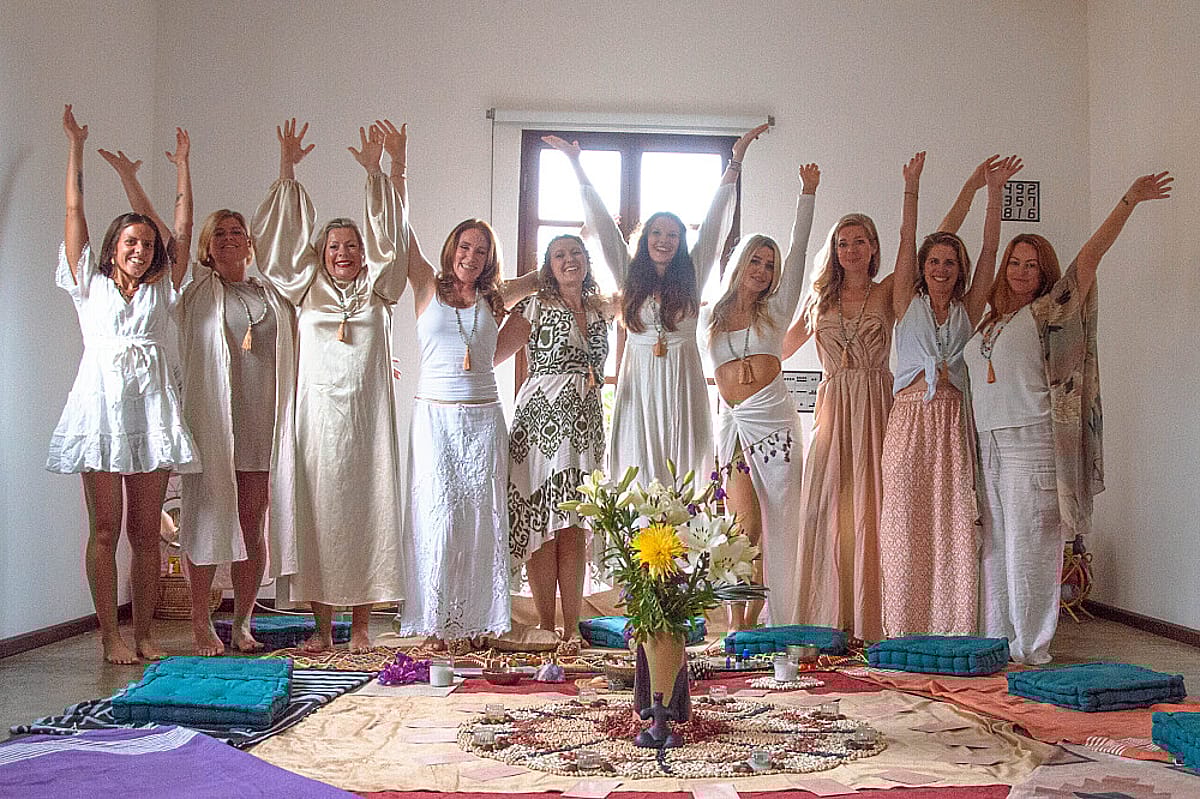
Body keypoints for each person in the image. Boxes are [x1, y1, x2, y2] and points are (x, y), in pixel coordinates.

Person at [963, 170, 1172, 664]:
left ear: (1043, 272)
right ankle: (998, 641)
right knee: (995, 550)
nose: (1018, 270)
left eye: (1030, 265)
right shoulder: (990, 320)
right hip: (988, 444)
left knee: (1030, 549)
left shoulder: (1049, 311)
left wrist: (1129, 199)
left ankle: (1031, 650)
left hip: (1031, 444)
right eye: (1013, 262)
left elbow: (1088, 261)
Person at [47, 105, 198, 664]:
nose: (139, 249)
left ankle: (144, 634)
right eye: (129, 242)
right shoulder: (88, 281)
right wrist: (76, 148)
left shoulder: (164, 289)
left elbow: (181, 228)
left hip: (152, 414)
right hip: (101, 413)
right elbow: (72, 208)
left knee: (147, 534)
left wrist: (182, 166)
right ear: (112, 248)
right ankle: (109, 634)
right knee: (104, 531)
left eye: (146, 244)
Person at [252, 118, 409, 653]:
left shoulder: (381, 288)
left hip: (367, 424)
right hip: (316, 421)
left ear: (362, 253)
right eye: (334, 245)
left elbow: (393, 243)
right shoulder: (305, 288)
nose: (343, 253)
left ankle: (362, 626)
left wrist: (377, 173)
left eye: (351, 245)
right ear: (322, 253)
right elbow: (279, 245)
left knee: (367, 512)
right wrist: (287, 168)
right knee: (318, 516)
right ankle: (323, 630)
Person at [544, 126, 766, 484]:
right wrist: (576, 164)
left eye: (672, 235)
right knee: (639, 469)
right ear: (645, 238)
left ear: (680, 242)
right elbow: (601, 224)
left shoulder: (692, 273)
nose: (664, 241)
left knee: (684, 467)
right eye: (657, 234)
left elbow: (715, 223)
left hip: (683, 378)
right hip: (640, 382)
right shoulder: (628, 273)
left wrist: (735, 159)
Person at [397, 121, 538, 650]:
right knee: (440, 516)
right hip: (434, 417)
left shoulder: (497, 297)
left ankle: (480, 623)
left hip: (483, 418)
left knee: (481, 517)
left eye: (481, 251)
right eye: (465, 246)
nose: (471, 256)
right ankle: (436, 624)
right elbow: (400, 229)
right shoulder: (424, 284)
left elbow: (552, 277)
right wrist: (397, 170)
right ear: (452, 246)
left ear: (488, 259)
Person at [878, 153, 1022, 638]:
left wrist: (995, 192)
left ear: (959, 269)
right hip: (909, 421)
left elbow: (990, 248)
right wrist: (912, 186)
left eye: (949, 262)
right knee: (904, 528)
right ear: (923, 266)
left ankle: (956, 631)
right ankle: (904, 631)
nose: (942, 268)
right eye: (934, 261)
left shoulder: (968, 306)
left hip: (955, 425)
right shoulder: (905, 302)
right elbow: (903, 239)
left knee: (956, 527)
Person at [704, 162, 820, 630]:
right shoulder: (712, 313)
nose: (764, 269)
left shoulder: (777, 309)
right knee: (741, 529)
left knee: (780, 524)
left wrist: (806, 193)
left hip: (774, 422)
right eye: (757, 260)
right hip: (733, 425)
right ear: (741, 262)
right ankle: (738, 623)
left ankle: (771, 617)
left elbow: (799, 251)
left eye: (769, 265)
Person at [782, 205, 894, 641]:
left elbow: (915, 246)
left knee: (875, 506)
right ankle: (831, 614)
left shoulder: (886, 293)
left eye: (859, 241)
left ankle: (877, 616)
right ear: (833, 250)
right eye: (842, 243)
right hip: (832, 406)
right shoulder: (819, 297)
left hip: (876, 403)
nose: (850, 249)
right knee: (830, 507)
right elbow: (782, 348)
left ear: (873, 248)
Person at [499, 234, 615, 649]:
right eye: (559, 255)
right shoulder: (534, 305)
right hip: (540, 424)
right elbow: (492, 352)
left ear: (587, 260)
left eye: (576, 253)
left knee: (574, 527)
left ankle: (572, 626)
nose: (570, 261)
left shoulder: (602, 310)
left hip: (585, 427)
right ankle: (545, 624)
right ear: (548, 265)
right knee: (542, 526)